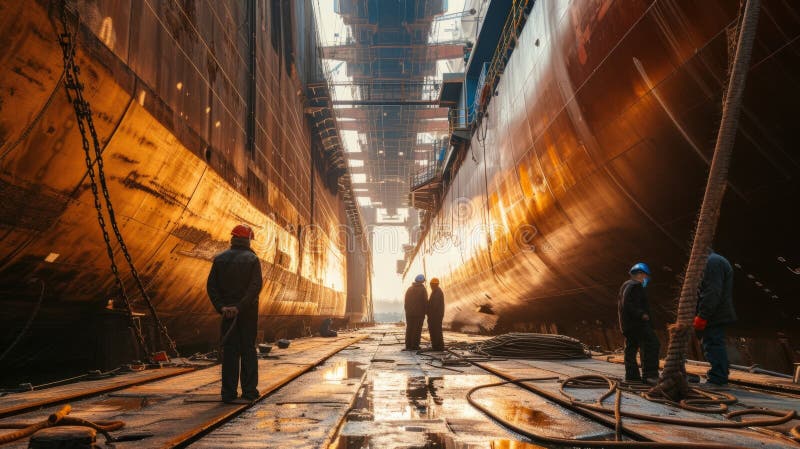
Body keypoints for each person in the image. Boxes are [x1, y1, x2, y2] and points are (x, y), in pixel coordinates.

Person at [207, 224, 263, 403]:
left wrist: (222, 307)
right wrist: (240, 307)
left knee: (230, 352)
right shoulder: (252, 260)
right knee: (248, 350)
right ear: (247, 240)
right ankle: (249, 392)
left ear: (233, 239)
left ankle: (228, 393)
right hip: (246, 314)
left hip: (227, 315)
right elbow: (255, 288)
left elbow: (212, 287)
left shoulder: (220, 259)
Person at [693, 251, 736, 386]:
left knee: (713, 343)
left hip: (715, 313)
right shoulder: (716, 260)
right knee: (714, 343)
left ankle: (718, 379)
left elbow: (712, 291)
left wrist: (702, 315)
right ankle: (720, 374)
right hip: (717, 311)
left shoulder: (711, 262)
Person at [618, 262, 660, 383]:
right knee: (652, 344)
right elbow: (629, 304)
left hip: (627, 326)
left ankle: (632, 377)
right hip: (638, 324)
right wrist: (642, 314)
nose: (647, 279)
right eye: (647, 276)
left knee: (631, 349)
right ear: (640, 274)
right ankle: (650, 375)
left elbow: (623, 304)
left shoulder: (625, 285)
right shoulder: (636, 285)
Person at [404, 274, 428, 351]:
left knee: (409, 329)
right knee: (417, 330)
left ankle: (408, 345)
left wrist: (407, 311)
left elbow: (406, 302)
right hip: (419, 314)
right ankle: (415, 345)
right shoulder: (422, 289)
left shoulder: (409, 289)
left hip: (409, 314)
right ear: (422, 281)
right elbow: (425, 302)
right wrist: (426, 312)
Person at [427, 278, 445, 351]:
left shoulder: (437, 292)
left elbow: (435, 305)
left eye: (431, 284)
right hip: (436, 315)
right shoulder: (436, 291)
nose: (430, 286)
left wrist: (428, 312)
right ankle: (437, 346)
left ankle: (437, 346)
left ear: (434, 284)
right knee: (436, 330)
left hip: (435, 316)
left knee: (435, 330)